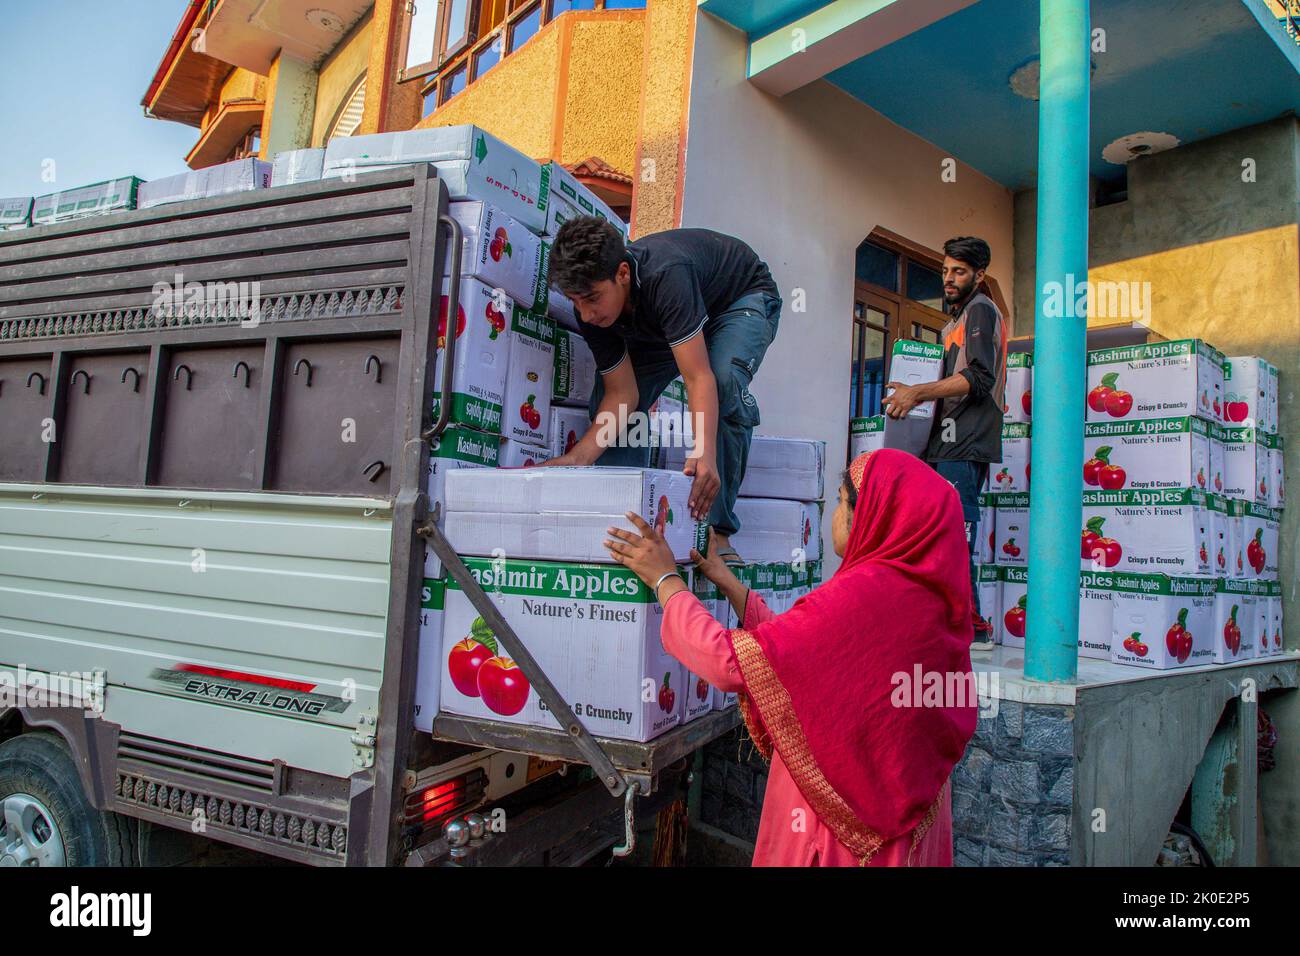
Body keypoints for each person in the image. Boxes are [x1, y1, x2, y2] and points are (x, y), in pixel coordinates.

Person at [602, 449, 976, 866]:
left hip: (840, 836)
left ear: (871, 513)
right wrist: (731, 586)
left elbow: (726, 662)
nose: (832, 515)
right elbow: (804, 651)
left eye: (839, 501)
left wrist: (666, 580)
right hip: (907, 834)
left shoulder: (863, 595)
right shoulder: (927, 600)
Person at [543, 217, 780, 566]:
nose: (586, 313)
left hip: (738, 298)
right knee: (608, 406)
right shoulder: (593, 313)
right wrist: (577, 459)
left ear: (623, 273)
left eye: (592, 298)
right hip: (663, 319)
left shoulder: (665, 275)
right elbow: (622, 394)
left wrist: (705, 453)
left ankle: (717, 534)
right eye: (575, 302)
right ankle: (623, 522)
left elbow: (699, 377)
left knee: (723, 379)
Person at [881, 236, 1006, 650]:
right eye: (945, 271)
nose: (949, 279)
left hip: (967, 440)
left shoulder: (981, 311)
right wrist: (912, 390)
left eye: (959, 272)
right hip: (944, 442)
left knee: (956, 532)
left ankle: (974, 625)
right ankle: (941, 621)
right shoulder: (953, 321)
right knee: (936, 532)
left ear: (979, 275)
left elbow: (979, 378)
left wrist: (917, 393)